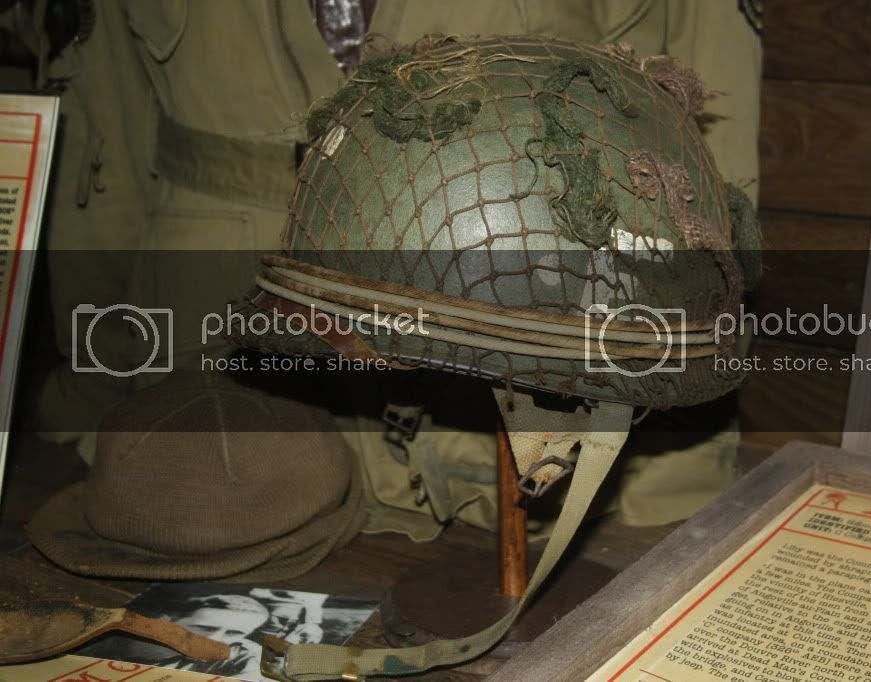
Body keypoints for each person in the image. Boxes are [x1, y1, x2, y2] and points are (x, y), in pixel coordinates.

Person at [28, 0, 762, 537]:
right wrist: (98, 395)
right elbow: (102, 151)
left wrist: (665, 481)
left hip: (509, 395)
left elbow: (700, 182)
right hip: (217, 415)